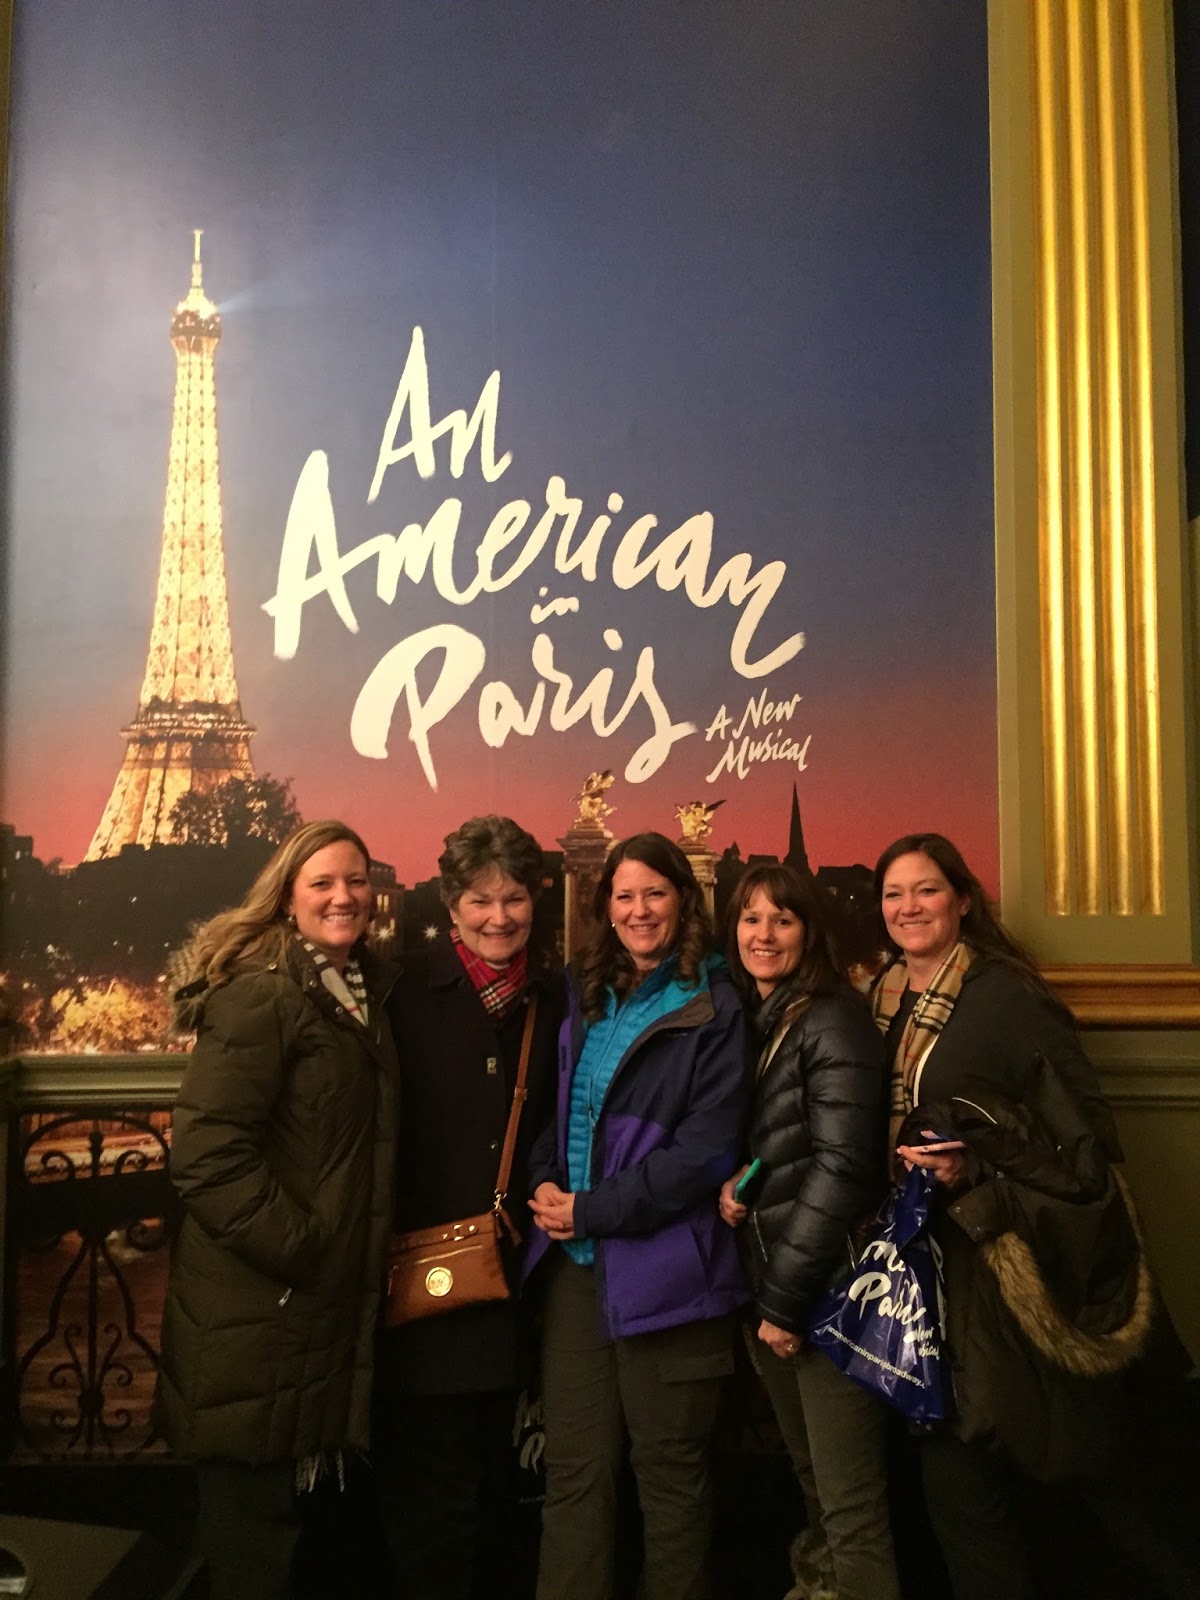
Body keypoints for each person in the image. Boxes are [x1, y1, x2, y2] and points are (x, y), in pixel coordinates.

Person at [870, 832, 1187, 1600]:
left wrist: (971, 1165)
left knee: (1077, 1475)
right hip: (921, 1275)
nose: (909, 907)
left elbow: (1086, 1149)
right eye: (893, 894)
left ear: (964, 900)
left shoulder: (1007, 995)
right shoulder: (880, 997)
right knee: (954, 1484)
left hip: (1005, 1278)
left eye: (927, 890)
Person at [156, 820, 398, 1600]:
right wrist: (307, 1247)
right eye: (323, 882)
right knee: (253, 1545)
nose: (343, 896)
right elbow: (206, 1155)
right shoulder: (264, 993)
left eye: (356, 880)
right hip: (263, 1308)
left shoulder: (356, 991)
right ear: (288, 895)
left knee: (281, 1544)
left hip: (295, 1316)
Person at [528, 831, 749, 1600]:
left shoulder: (716, 1006)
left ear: (684, 901)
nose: (638, 908)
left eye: (655, 892)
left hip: (671, 1272)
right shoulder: (583, 990)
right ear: (604, 905)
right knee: (574, 1477)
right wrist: (544, 1188)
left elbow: (705, 1154)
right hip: (578, 1279)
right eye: (623, 895)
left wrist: (589, 1209)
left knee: (670, 1481)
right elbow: (554, 1118)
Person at [373, 815, 562, 1600]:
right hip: (431, 1289)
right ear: (450, 905)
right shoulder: (400, 992)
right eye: (480, 900)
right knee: (437, 1495)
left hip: (524, 1282)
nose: (498, 917)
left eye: (513, 898)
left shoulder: (554, 999)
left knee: (503, 1488)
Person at [718, 862, 900, 1600]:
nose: (764, 935)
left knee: (851, 1510)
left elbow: (843, 1167)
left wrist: (783, 1305)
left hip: (823, 1299)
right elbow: (792, 1140)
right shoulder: (773, 1015)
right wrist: (746, 1181)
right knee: (819, 1493)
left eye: (782, 920)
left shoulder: (829, 1015)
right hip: (785, 1293)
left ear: (809, 931)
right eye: (752, 919)